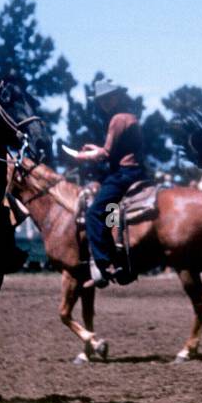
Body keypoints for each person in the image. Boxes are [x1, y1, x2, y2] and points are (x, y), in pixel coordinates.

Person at [75, 80, 145, 289]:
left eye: (108, 98)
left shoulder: (117, 119)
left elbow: (105, 154)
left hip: (123, 173)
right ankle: (118, 253)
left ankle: (103, 265)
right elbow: (112, 149)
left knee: (94, 213)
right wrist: (97, 150)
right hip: (135, 171)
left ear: (117, 97)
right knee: (109, 210)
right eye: (102, 100)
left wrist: (85, 155)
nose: (105, 102)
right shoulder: (130, 116)